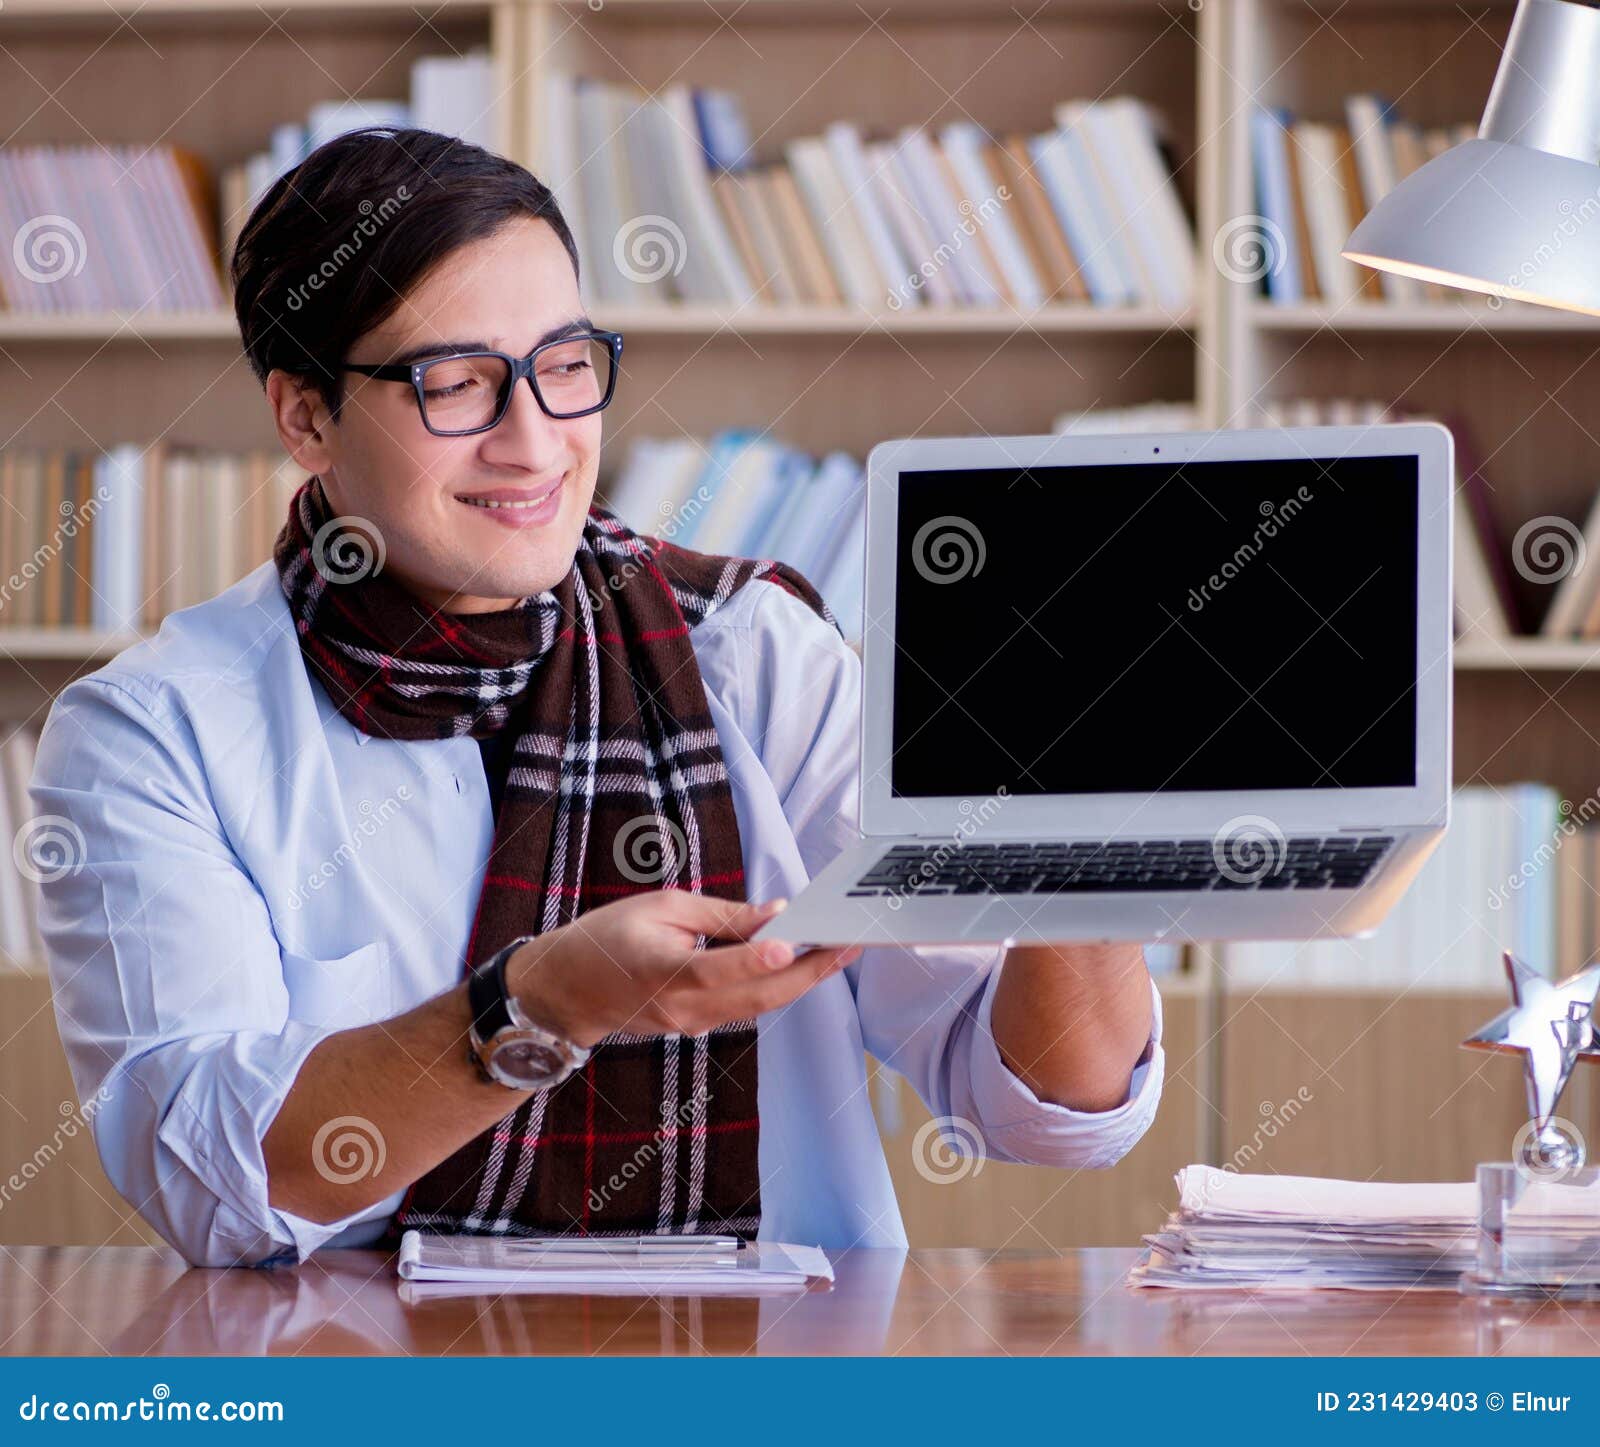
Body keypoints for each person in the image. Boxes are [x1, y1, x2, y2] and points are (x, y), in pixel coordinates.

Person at [31, 128, 1163, 1268]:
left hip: (775, 1353)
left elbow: (1049, 1106)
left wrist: (1071, 828)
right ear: (305, 417)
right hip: (360, 1359)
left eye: (565, 366)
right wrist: (535, 1011)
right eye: (454, 384)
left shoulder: (753, 652)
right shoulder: (153, 734)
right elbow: (215, 1191)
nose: (534, 445)